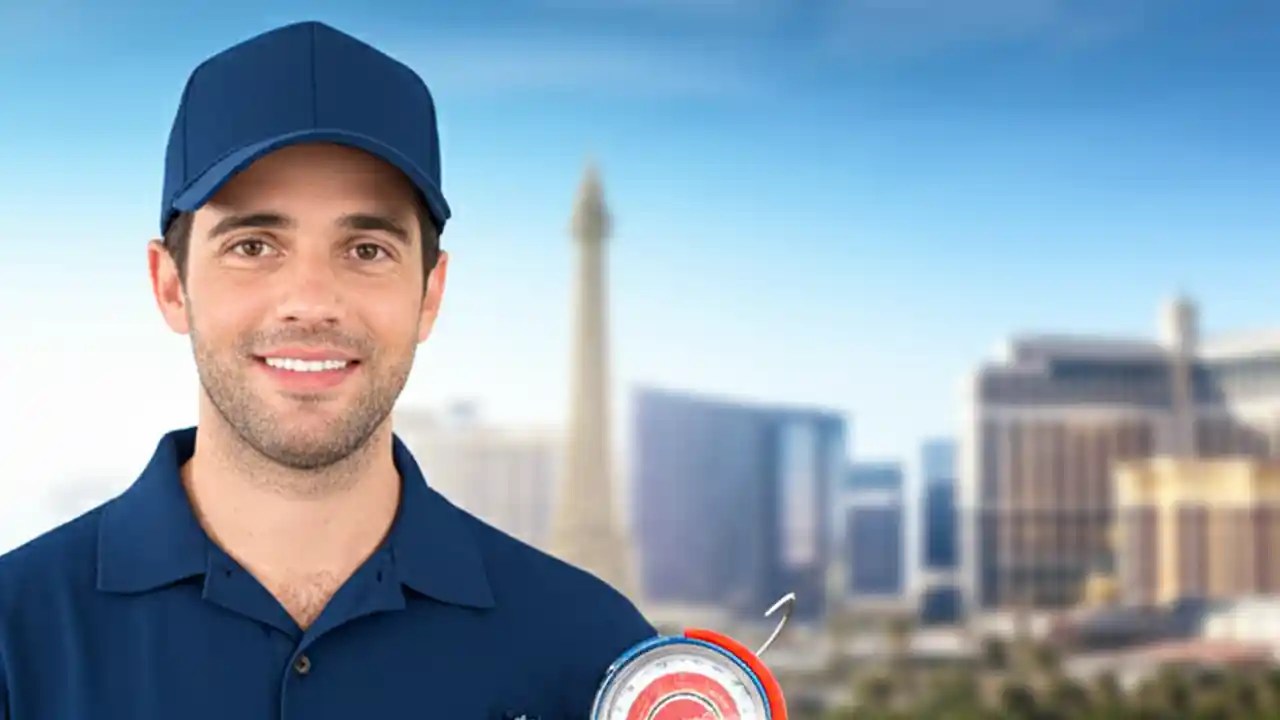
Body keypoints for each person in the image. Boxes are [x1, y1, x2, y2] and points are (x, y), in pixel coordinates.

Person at [0, 20, 656, 719]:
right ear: (170, 286)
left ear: (430, 295)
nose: (312, 301)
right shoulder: (14, 641)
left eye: (366, 250)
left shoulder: (596, 655)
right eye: (253, 246)